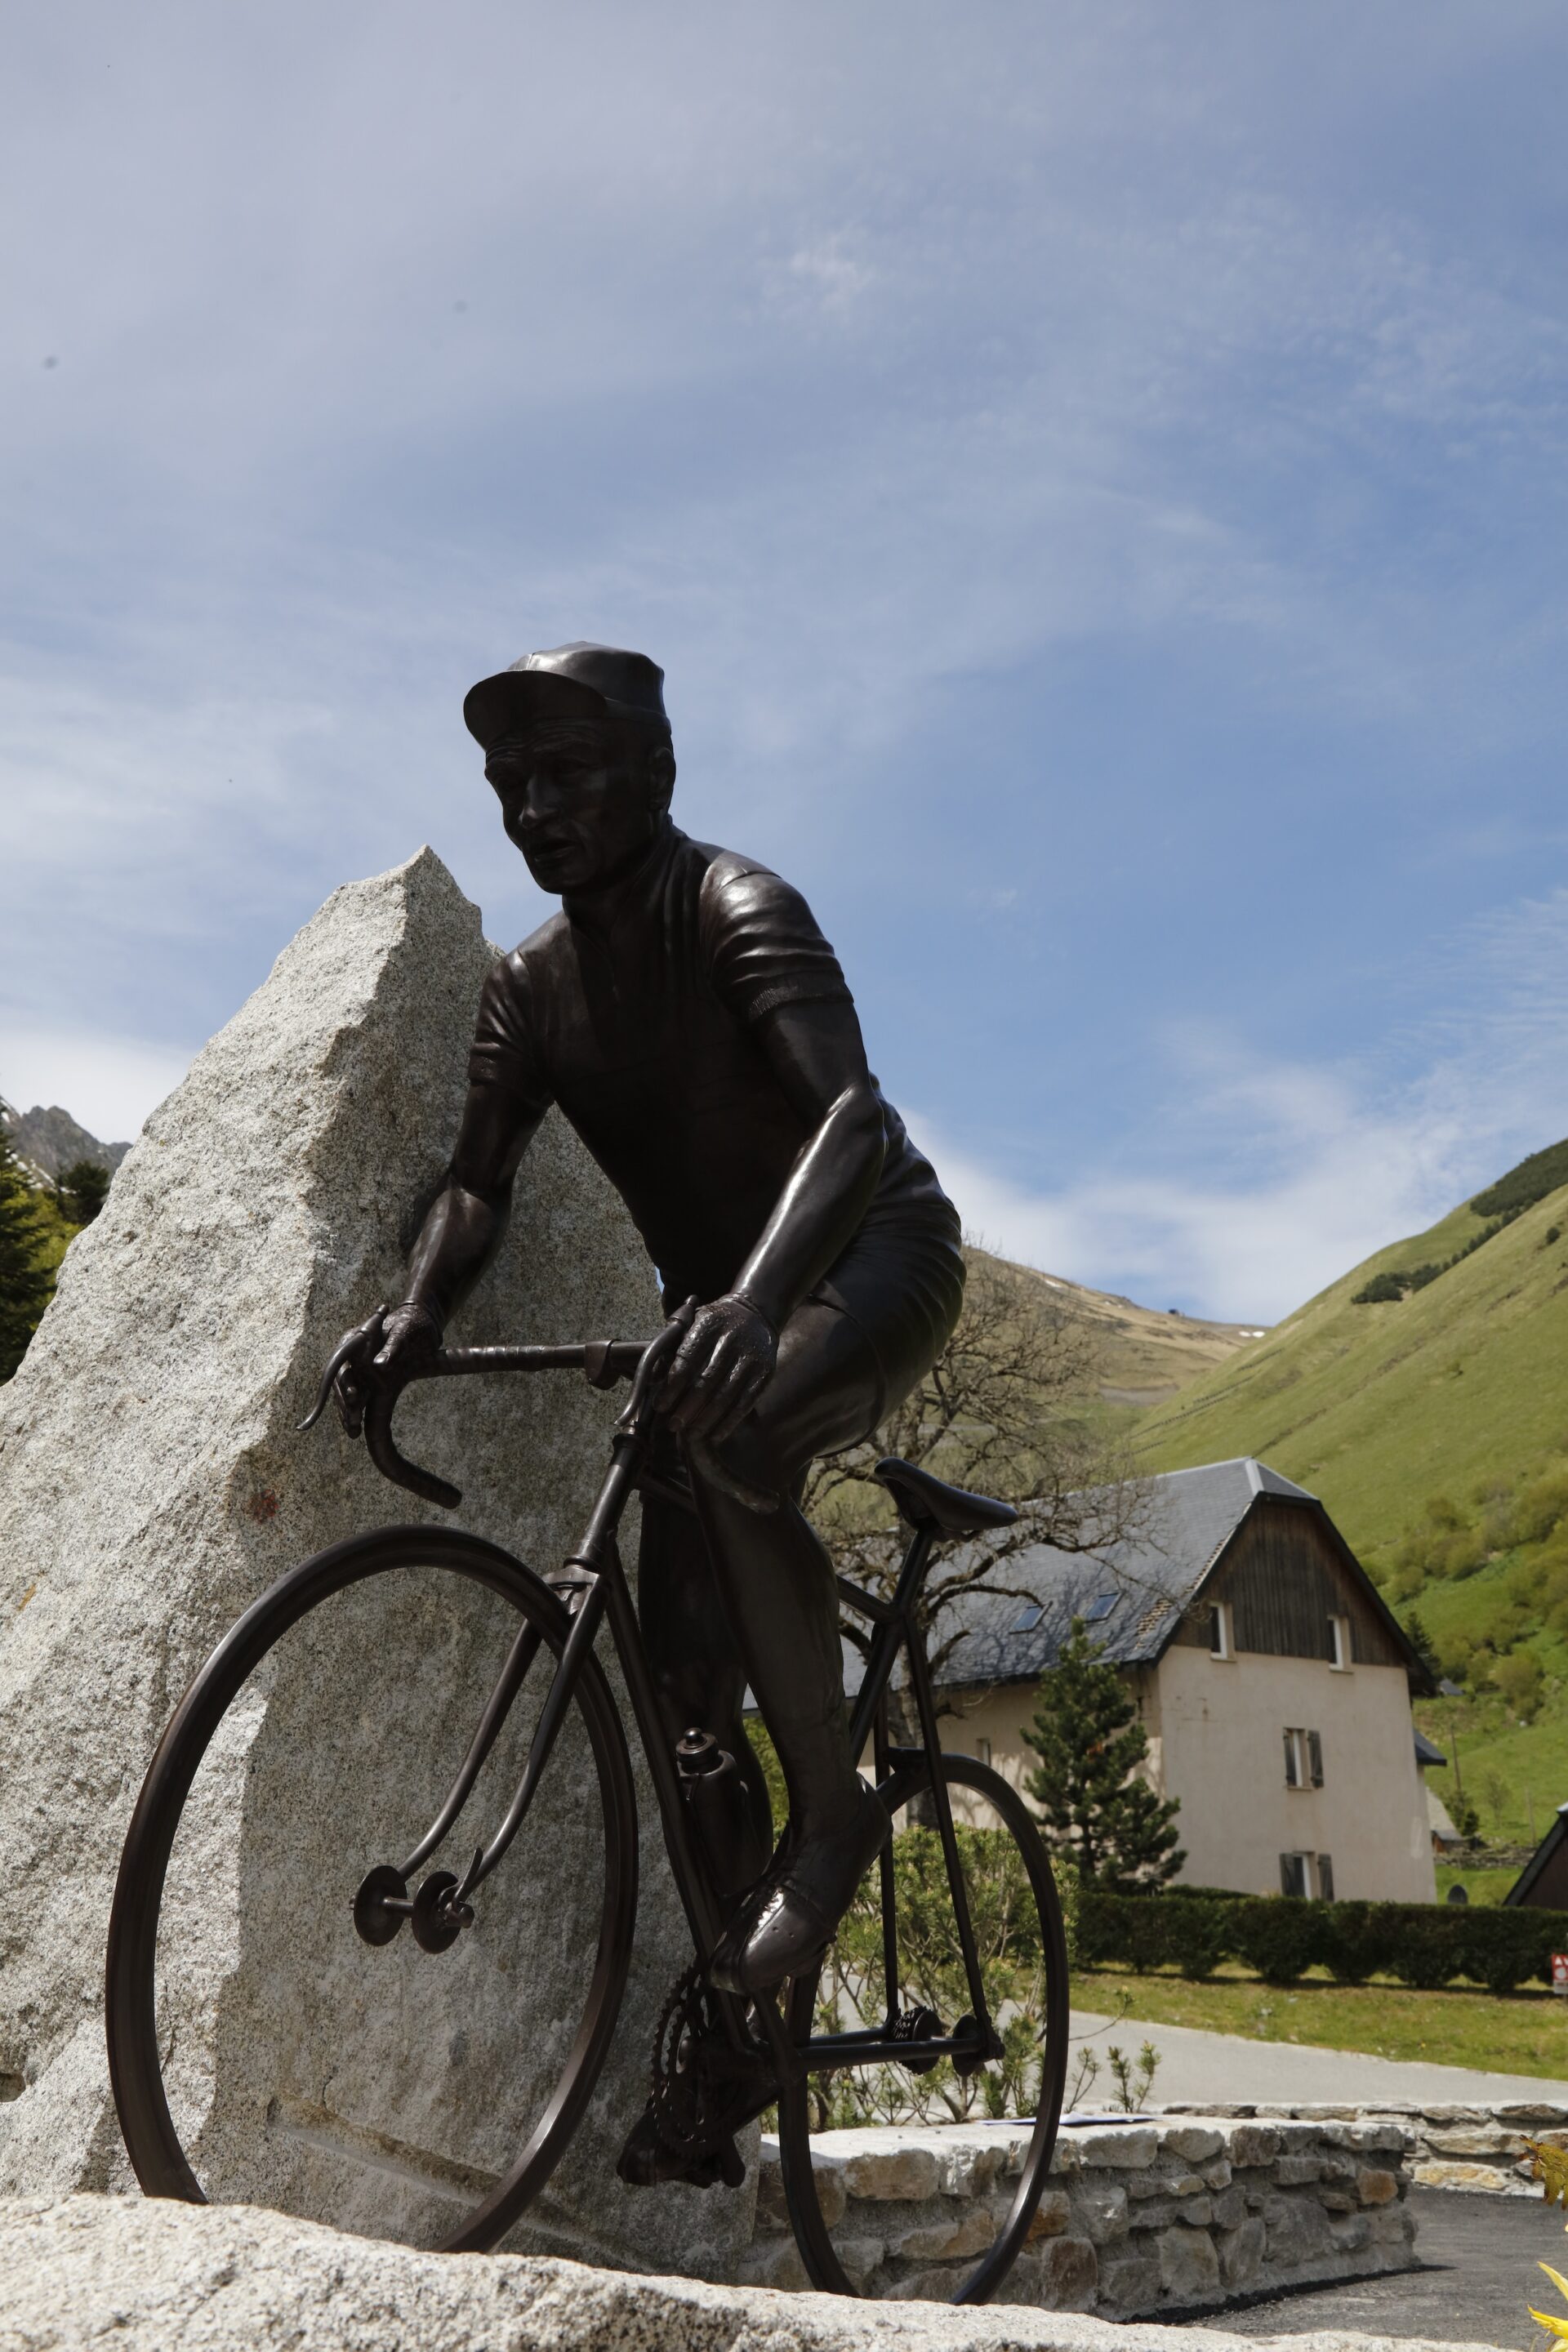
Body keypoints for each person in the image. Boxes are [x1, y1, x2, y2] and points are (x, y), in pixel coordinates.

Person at [331, 642, 964, 2178]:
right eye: (509, 786)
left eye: (565, 776)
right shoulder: (532, 992)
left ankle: (835, 1820)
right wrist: (417, 1316)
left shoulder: (739, 907)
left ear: (653, 778)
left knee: (738, 1439)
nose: (532, 809)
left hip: (867, 1253)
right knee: (688, 1717)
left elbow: (853, 1122)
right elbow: (478, 1183)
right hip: (720, 1312)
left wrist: (753, 1303)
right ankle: (737, 2051)